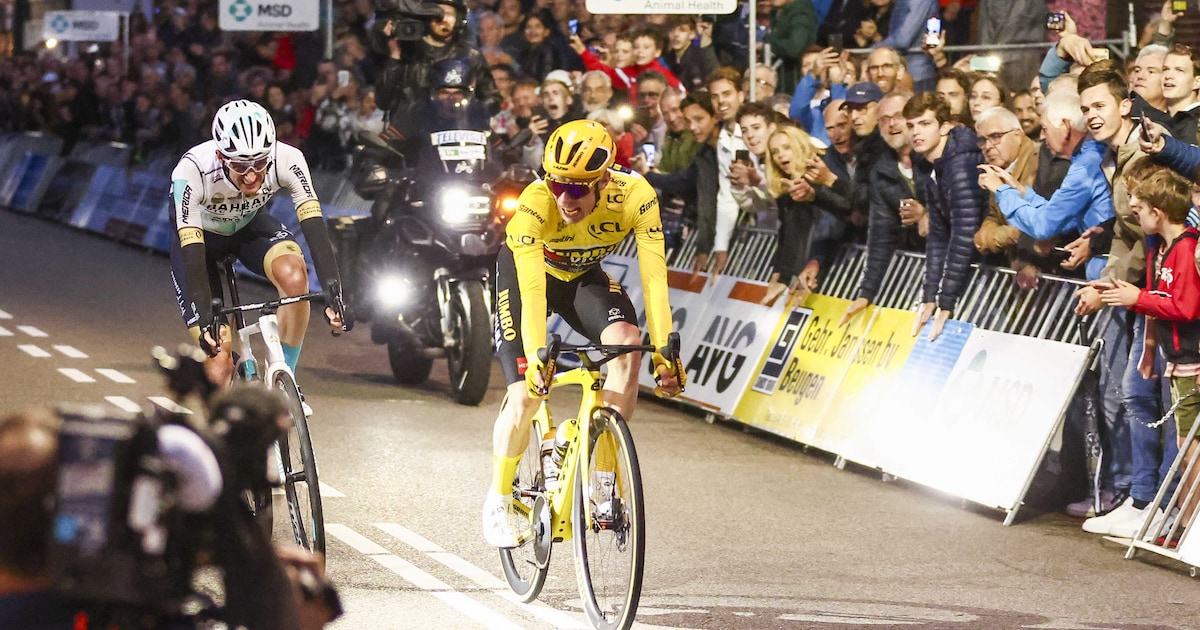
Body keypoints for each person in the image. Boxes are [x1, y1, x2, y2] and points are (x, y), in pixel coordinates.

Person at [482, 119, 684, 548]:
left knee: (629, 344)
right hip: (524, 278)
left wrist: (665, 351)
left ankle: (605, 484)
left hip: (581, 278)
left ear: (604, 179)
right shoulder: (537, 203)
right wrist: (538, 354)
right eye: (557, 185)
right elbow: (534, 290)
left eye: (577, 189)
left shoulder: (636, 197)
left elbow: (654, 278)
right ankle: (498, 498)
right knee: (526, 395)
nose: (565, 199)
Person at [169, 100, 349, 388]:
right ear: (220, 155)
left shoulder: (288, 158)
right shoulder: (191, 171)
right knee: (218, 366)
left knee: (295, 275)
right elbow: (192, 255)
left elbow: (315, 228)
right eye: (240, 165)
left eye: (260, 163)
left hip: (247, 227)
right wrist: (206, 320)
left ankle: (283, 382)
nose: (251, 175)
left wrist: (335, 293)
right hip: (199, 243)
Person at [1093, 165, 1199, 538]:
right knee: (1186, 448)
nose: (1133, 207)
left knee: (1188, 448)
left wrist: (1138, 298)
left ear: (1160, 210)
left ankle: (1180, 522)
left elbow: (1185, 306)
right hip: (1173, 359)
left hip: (1190, 362)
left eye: (1141, 202)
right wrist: (1150, 349)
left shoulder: (1186, 248)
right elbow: (1161, 298)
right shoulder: (1160, 247)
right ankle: (1174, 522)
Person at [905, 91, 988, 340]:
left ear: (945, 127)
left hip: (985, 266)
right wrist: (929, 295)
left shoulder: (960, 163)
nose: (916, 132)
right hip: (969, 266)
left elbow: (965, 232)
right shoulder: (933, 163)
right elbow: (939, 235)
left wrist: (946, 299)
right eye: (911, 125)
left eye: (925, 124)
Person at [841, 90, 925, 325]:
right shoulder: (881, 170)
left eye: (898, 115)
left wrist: (928, 215)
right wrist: (865, 293)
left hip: (967, 264)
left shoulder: (935, 158)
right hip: (923, 267)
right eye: (884, 120)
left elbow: (966, 212)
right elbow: (880, 236)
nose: (892, 124)